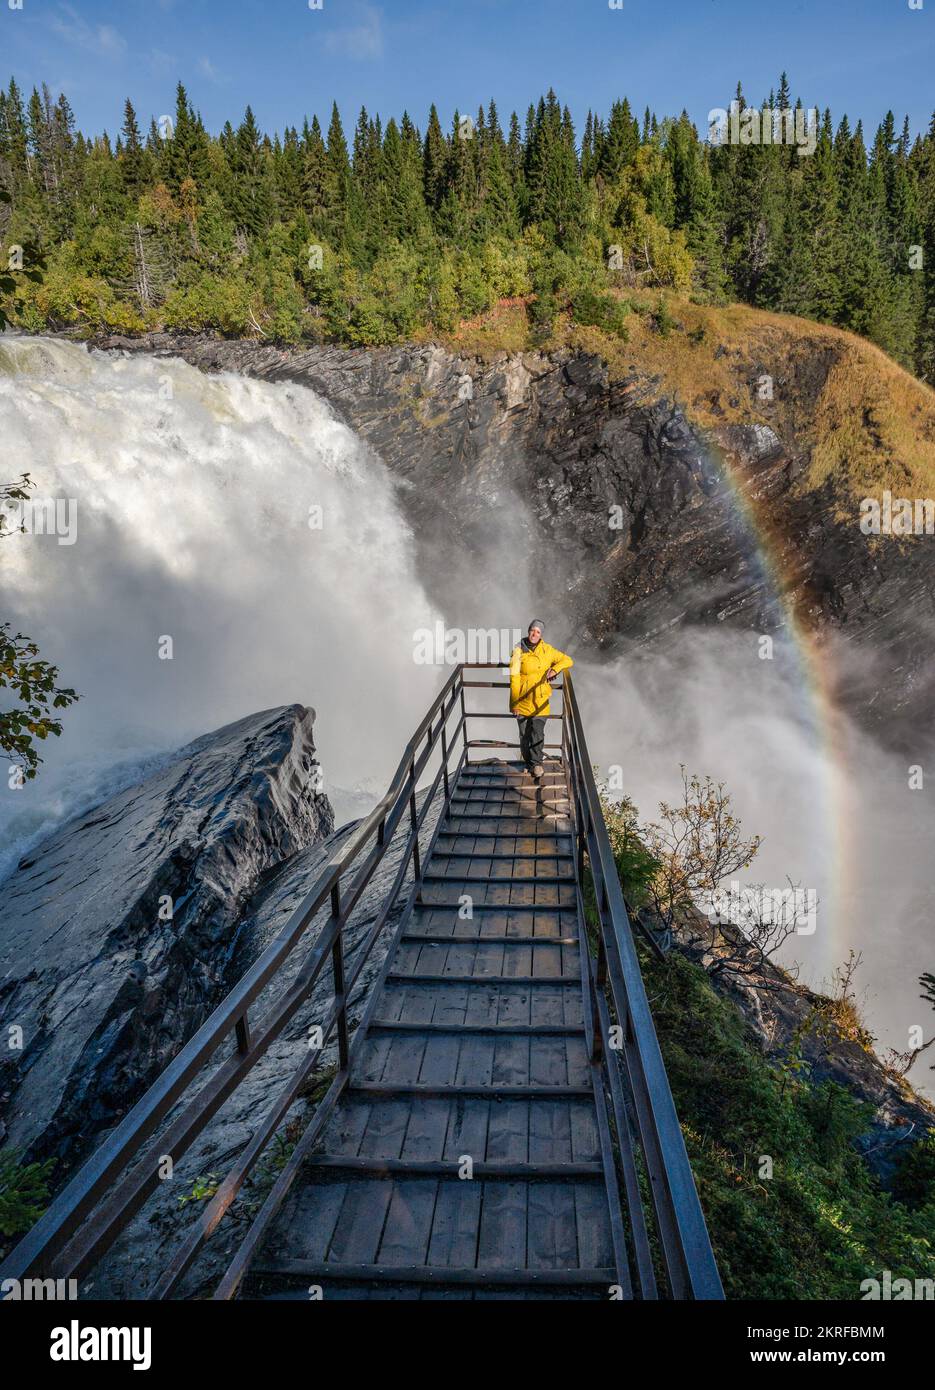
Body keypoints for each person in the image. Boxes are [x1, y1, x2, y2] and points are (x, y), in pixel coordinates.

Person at [508, 619, 573, 778]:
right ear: (528, 631)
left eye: (538, 632)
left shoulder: (547, 650)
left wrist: (555, 670)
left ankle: (536, 764)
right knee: (524, 735)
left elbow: (568, 660)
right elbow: (514, 677)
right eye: (532, 630)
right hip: (522, 700)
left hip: (541, 701)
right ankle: (528, 762)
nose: (534, 634)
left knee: (537, 733)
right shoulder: (518, 651)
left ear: (541, 634)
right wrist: (514, 703)